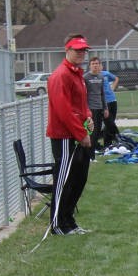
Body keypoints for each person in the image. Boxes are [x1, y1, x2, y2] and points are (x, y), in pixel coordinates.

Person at [47, 34, 92, 235]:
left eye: (84, 50)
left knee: (78, 179)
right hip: (65, 136)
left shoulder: (77, 74)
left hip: (77, 134)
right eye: (77, 50)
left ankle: (69, 221)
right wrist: (81, 134)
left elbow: (81, 104)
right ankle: (57, 224)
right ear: (67, 50)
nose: (81, 53)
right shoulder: (61, 75)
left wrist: (88, 116)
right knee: (64, 180)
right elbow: (63, 110)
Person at [83, 57, 109, 157]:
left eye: (97, 63)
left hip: (99, 107)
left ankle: (92, 154)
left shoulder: (101, 77)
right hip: (90, 108)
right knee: (91, 132)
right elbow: (83, 95)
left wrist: (105, 108)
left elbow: (102, 94)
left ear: (99, 65)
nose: (95, 65)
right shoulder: (85, 77)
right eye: (93, 63)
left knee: (97, 132)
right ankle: (89, 155)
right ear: (90, 65)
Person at [99, 60, 119, 148]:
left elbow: (116, 78)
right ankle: (116, 137)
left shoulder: (106, 74)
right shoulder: (92, 77)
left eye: (99, 64)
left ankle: (109, 143)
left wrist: (113, 87)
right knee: (109, 122)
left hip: (112, 100)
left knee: (111, 122)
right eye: (94, 64)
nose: (97, 66)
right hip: (103, 103)